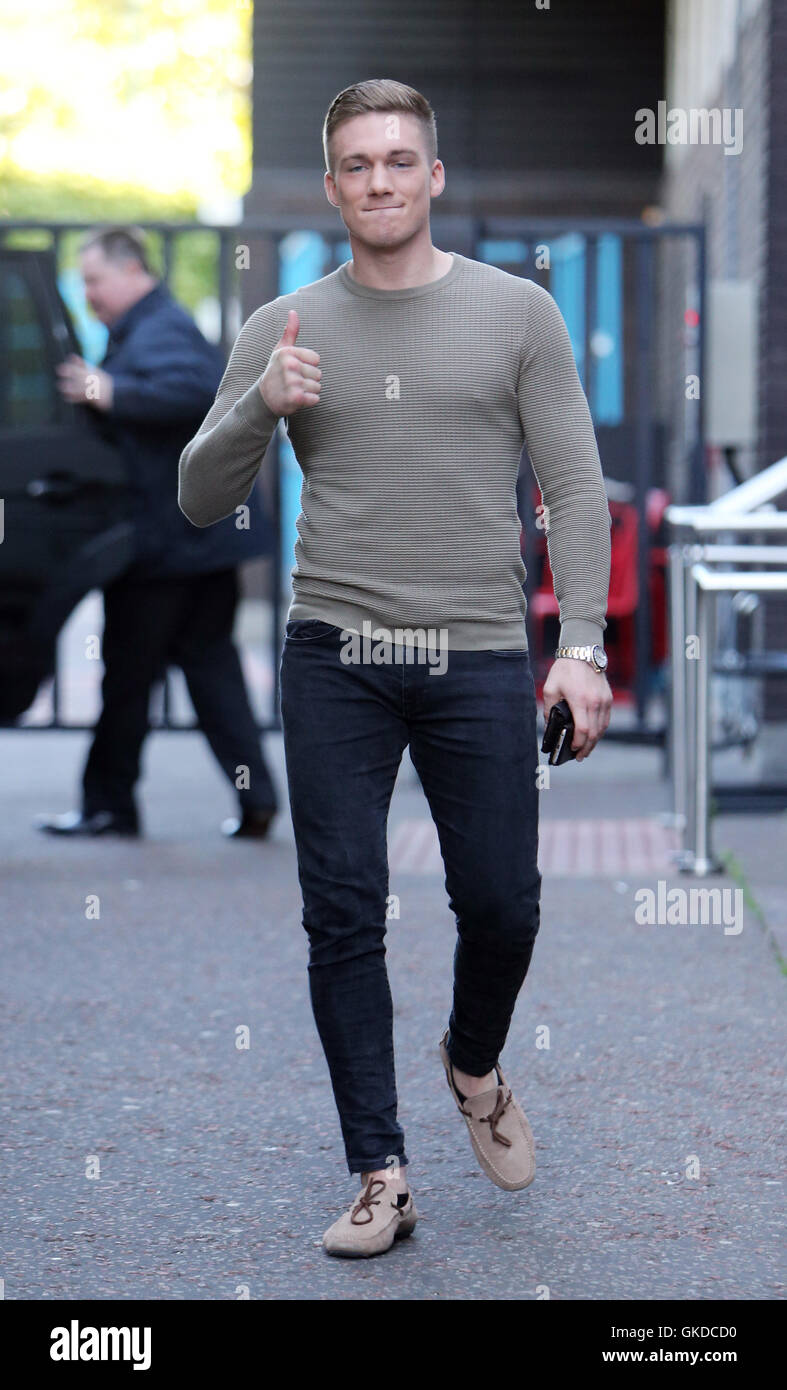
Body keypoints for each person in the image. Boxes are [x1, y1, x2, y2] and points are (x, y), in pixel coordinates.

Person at [178, 79, 613, 1258]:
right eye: (358, 164)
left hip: (477, 647)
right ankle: (380, 1171)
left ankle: (472, 1061)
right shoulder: (284, 327)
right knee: (341, 912)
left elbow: (572, 486)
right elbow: (199, 494)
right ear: (332, 186)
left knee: (503, 904)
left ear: (433, 174)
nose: (380, 181)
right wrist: (259, 407)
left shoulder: (516, 313)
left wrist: (580, 648)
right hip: (337, 652)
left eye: (399, 159)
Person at [35, 227, 278, 840]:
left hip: (167, 546)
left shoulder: (160, 328)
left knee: (128, 675)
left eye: (94, 279)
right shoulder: (150, 326)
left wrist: (105, 390)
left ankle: (109, 806)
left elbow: (193, 394)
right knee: (211, 668)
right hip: (197, 542)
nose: (88, 293)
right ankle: (257, 798)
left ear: (131, 271)